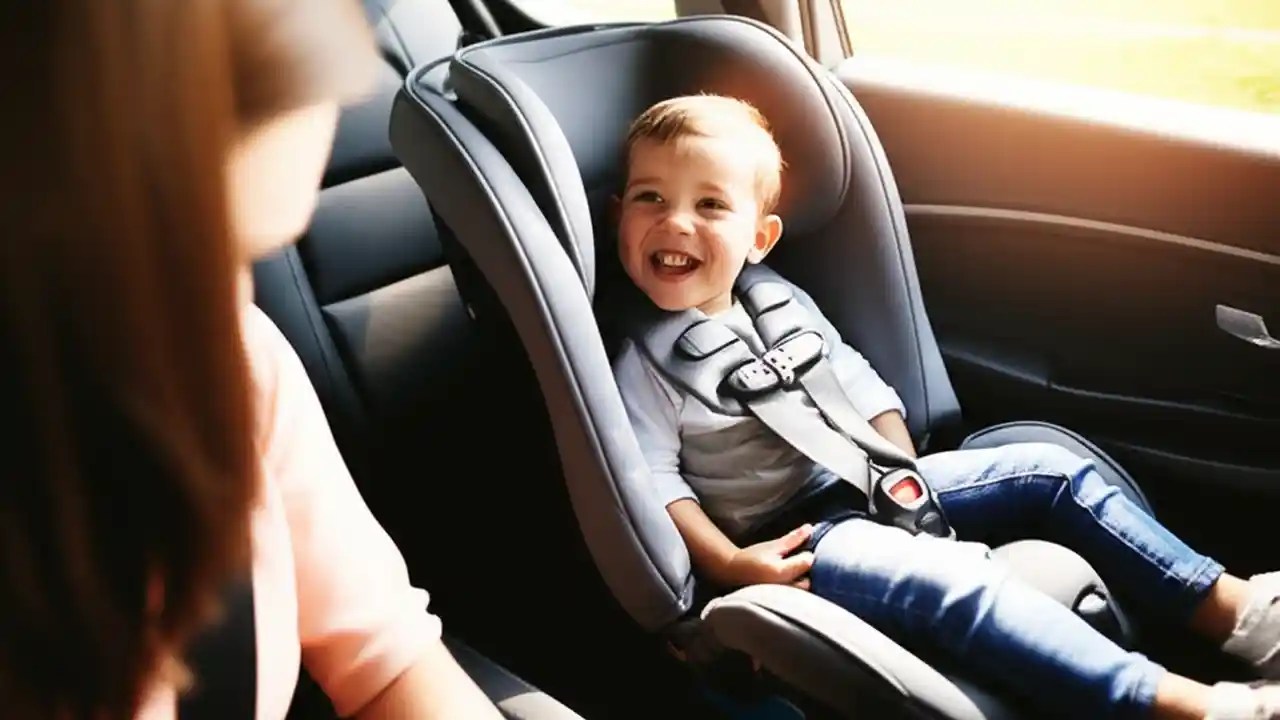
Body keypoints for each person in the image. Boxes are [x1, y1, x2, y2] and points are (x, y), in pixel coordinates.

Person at [611, 93, 1280, 720]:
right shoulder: (642, 363)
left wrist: (898, 469)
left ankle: (1243, 615)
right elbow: (658, 484)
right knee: (949, 583)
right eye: (650, 198)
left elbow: (856, 381)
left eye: (710, 206)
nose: (675, 222)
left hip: (871, 479)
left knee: (1050, 471)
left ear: (761, 238)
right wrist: (731, 564)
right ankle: (1188, 706)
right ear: (619, 215)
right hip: (798, 537)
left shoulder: (779, 302)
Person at [0, 1, 506, 718]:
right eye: (189, 260)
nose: (230, 308)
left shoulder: (241, 369)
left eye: (248, 259)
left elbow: (390, 662)